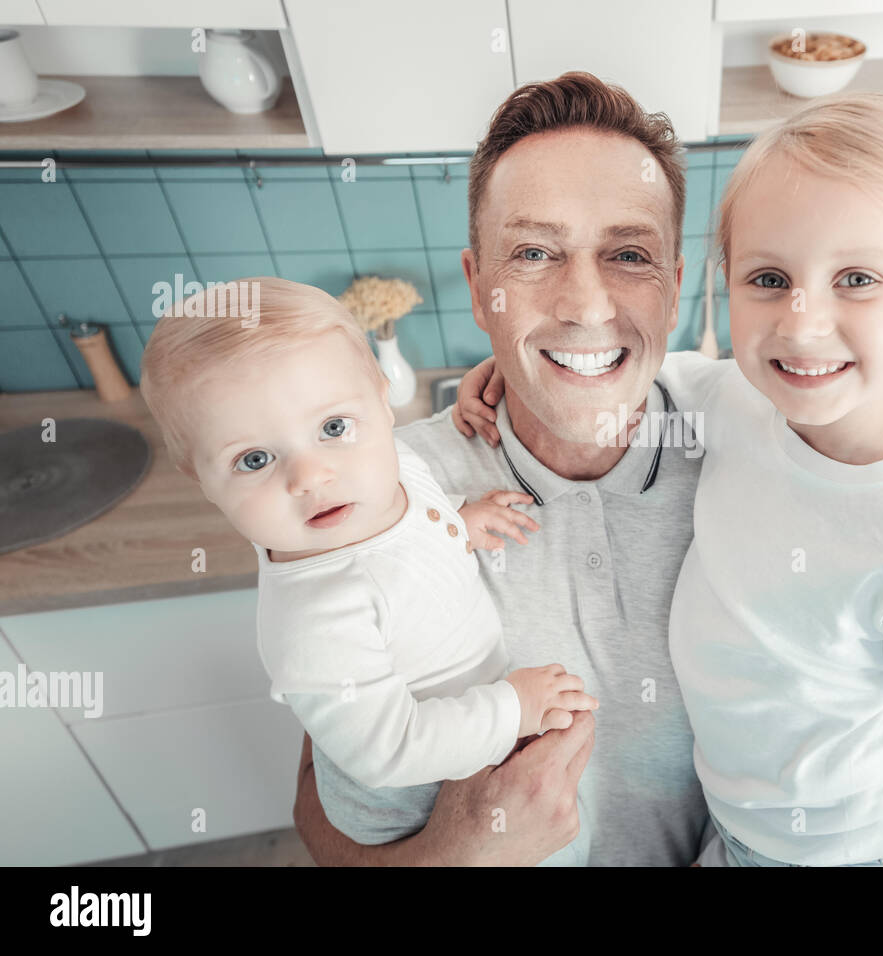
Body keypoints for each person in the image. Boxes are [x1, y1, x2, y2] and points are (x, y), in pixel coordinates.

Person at [457, 92, 883, 866]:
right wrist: (503, 363)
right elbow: (593, 365)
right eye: (768, 278)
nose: (802, 322)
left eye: (857, 278)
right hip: (730, 830)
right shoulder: (736, 401)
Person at [290, 72, 716, 866]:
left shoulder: (750, 456)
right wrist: (452, 853)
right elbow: (318, 799)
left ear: (676, 287)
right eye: (533, 252)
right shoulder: (385, 493)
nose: (587, 304)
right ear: (481, 288)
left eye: (629, 254)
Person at [138, 277, 598, 851]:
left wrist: (459, 521)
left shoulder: (388, 464)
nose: (310, 476)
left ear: (383, 400)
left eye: (332, 427)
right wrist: (513, 708)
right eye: (253, 459)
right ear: (199, 478)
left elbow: (404, 529)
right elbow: (391, 750)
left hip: (457, 724)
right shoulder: (316, 620)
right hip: (411, 799)